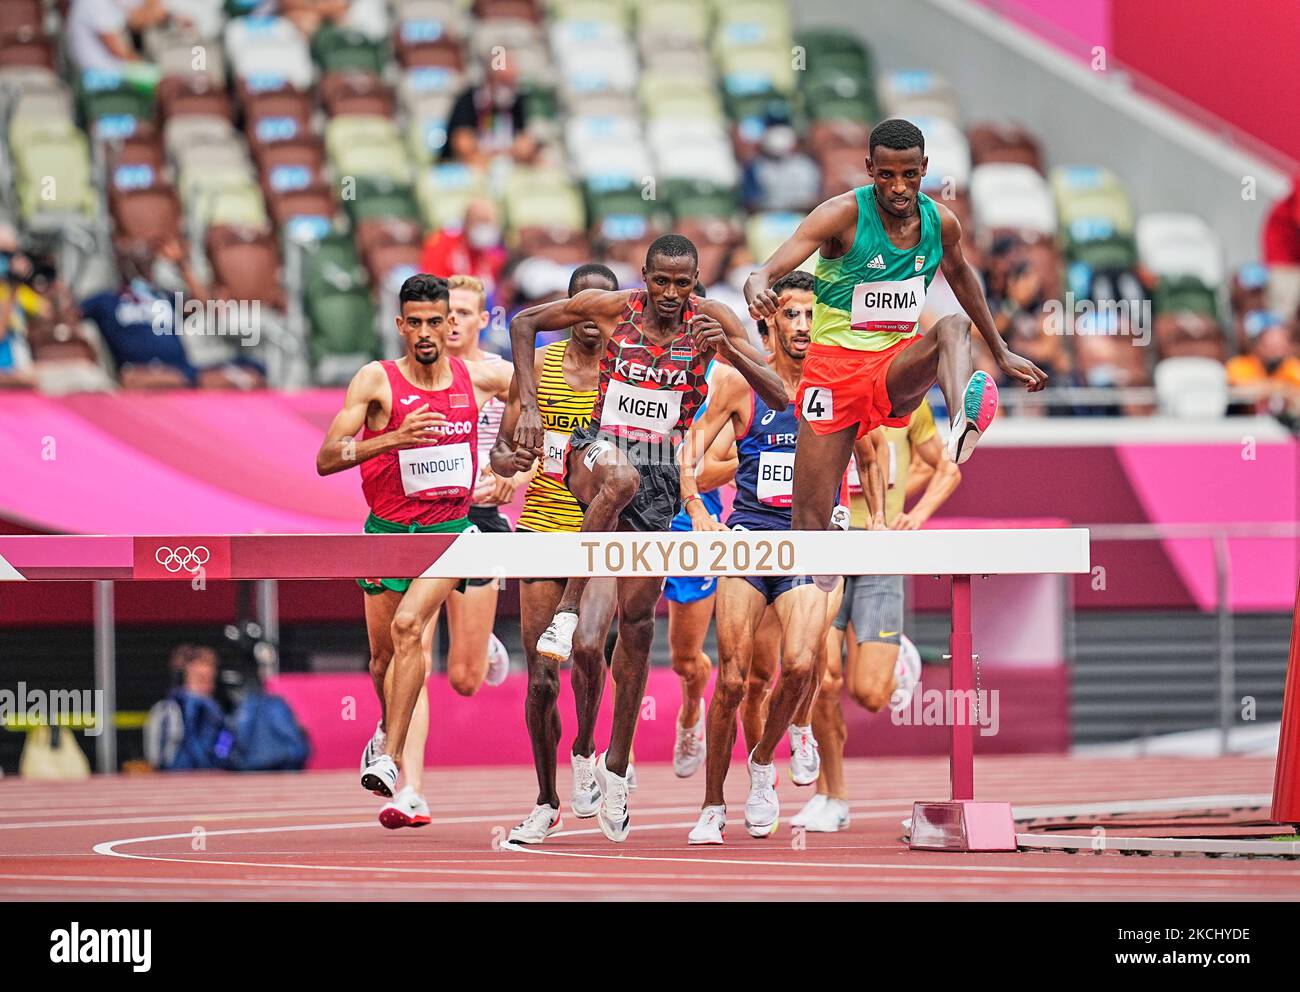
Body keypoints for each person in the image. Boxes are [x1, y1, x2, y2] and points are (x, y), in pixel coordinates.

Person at [510, 234, 786, 842]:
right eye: (659, 280)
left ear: (695, 283)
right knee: (619, 478)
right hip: (599, 450)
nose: (668, 294)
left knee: (636, 624)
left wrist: (734, 355)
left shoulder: (714, 320)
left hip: (662, 470)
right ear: (644, 275)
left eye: (681, 283)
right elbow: (526, 322)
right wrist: (528, 402)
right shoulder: (615, 308)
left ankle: (615, 765)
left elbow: (780, 394)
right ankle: (564, 610)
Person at [744, 118, 1046, 543]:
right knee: (807, 528)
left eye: (909, 175)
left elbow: (962, 279)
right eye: (886, 176)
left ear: (924, 167)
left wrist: (1000, 350)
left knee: (953, 325)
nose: (899, 187)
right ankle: (819, 575)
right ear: (870, 169)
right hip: (833, 374)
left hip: (892, 366)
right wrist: (758, 284)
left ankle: (962, 421)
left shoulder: (941, 223)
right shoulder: (843, 214)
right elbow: (771, 268)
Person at [315, 274, 511, 823]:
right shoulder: (375, 381)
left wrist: (513, 469)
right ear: (401, 325)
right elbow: (327, 458)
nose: (426, 332)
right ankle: (389, 729)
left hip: (451, 535)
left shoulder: (480, 378)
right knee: (385, 657)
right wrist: (394, 439)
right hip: (386, 534)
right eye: (415, 322)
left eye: (437, 321)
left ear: (451, 324)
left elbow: (546, 398)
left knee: (411, 637)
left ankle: (391, 759)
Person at [676, 271, 849, 843]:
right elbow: (689, 451)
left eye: (810, 315)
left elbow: (872, 449)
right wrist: (695, 506)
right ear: (769, 321)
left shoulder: (840, 380)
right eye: (791, 315)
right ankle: (710, 806)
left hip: (806, 540)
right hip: (749, 536)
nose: (802, 326)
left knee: (802, 667)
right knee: (731, 681)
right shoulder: (738, 383)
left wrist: (854, 505)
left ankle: (761, 762)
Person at [489, 263, 622, 844]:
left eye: (604, 310)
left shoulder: (626, 373)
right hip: (542, 526)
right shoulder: (540, 367)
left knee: (589, 650)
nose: (593, 322)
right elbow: (499, 448)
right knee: (542, 679)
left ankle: (587, 746)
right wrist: (509, 459)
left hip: (602, 535)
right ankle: (545, 800)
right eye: (582, 309)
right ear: (568, 312)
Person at [793, 398, 962, 833]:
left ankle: (897, 657)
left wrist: (915, 515)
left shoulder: (909, 404)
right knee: (822, 680)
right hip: (829, 545)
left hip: (879, 548)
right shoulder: (825, 398)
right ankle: (832, 795)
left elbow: (947, 468)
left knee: (868, 693)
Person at [437, 274, 517, 691]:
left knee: (465, 681)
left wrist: (513, 476)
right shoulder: (413, 374)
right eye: (445, 313)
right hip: (426, 517)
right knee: (406, 638)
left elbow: (548, 438)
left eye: (463, 313)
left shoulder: (500, 373)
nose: (452, 322)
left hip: (481, 517)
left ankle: (479, 639)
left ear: (483, 319)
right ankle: (387, 739)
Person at [442, 57, 538, 167]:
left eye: (512, 82)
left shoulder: (515, 102)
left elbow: (525, 145)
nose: (510, 88)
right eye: (504, 81)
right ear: (490, 78)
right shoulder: (468, 100)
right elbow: (463, 144)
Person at [419, 199, 509, 300]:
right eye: (480, 221)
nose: (485, 227)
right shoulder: (443, 243)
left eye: (489, 222)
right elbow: (430, 283)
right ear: (466, 222)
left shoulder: (497, 255)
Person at [68, 0, 168, 73]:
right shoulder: (96, 3)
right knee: (162, 80)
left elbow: (139, 19)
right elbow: (119, 52)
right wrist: (147, 68)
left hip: (109, 70)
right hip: (99, 76)